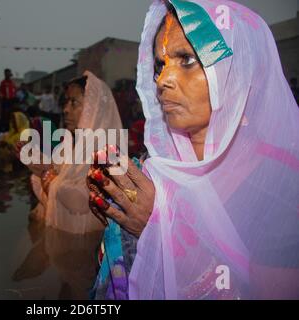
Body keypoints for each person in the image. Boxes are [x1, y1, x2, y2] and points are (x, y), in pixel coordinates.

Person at [88, 0, 299, 299]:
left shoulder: (282, 186)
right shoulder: (156, 170)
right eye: (160, 65)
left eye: (187, 60)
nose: (163, 80)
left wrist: (160, 229)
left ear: (239, 74)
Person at [17, 71, 123, 235]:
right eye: (66, 102)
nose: (66, 109)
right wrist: (37, 164)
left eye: (74, 103)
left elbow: (79, 200)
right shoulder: (71, 146)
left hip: (86, 246)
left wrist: (48, 176)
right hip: (63, 237)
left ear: (94, 109)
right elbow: (60, 175)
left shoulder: (107, 152)